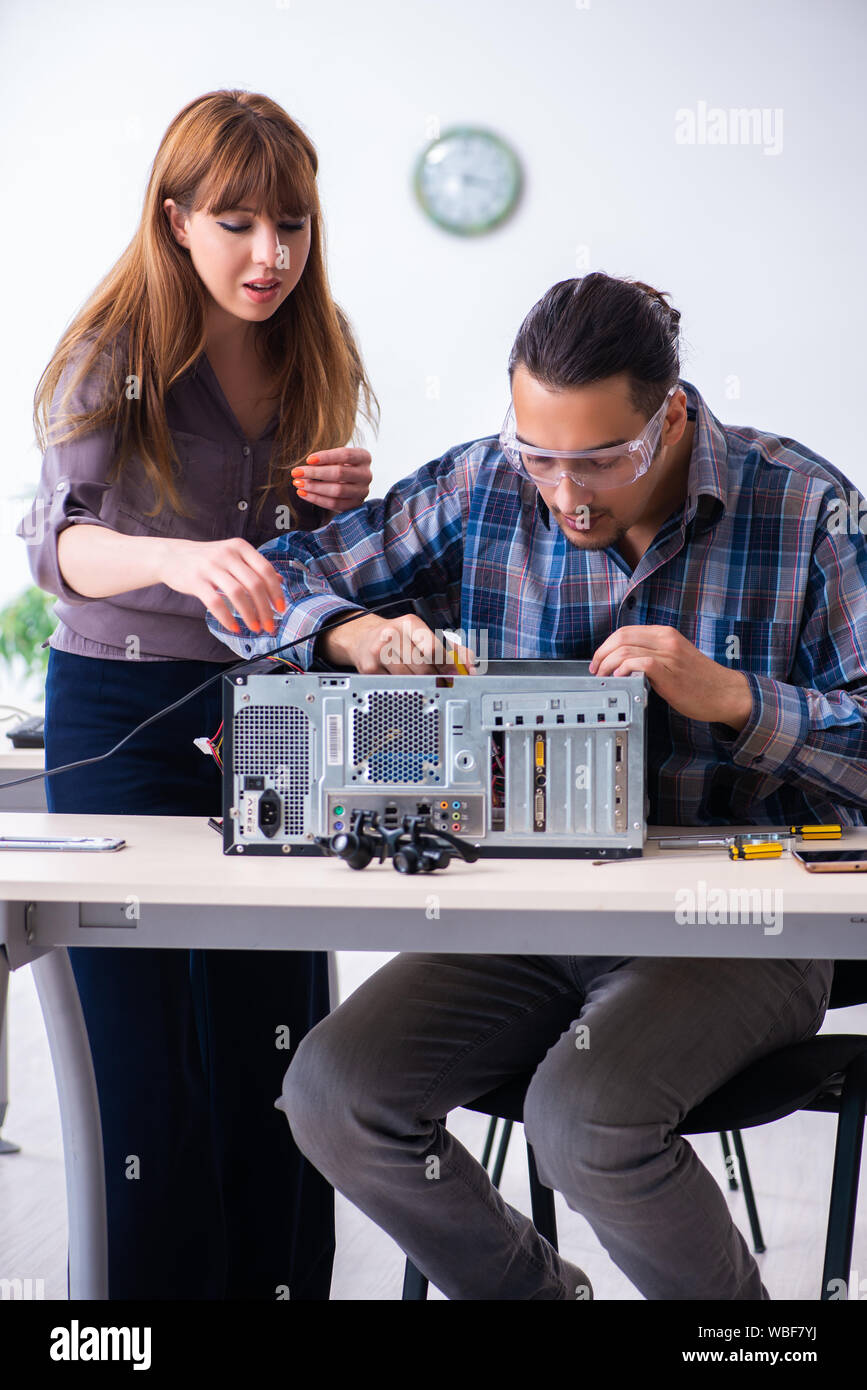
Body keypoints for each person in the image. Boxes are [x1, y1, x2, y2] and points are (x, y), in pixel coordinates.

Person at [206, 271, 867, 1299]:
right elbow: (255, 590)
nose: (565, 492)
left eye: (601, 458)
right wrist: (350, 628)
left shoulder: (808, 507)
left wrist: (735, 696)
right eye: (541, 455)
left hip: (738, 924)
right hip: (528, 915)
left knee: (583, 1117)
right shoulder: (481, 486)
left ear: (673, 415)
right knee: (332, 1093)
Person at [17, 88, 378, 1300]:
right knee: (145, 1073)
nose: (270, 255)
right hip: (118, 718)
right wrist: (171, 555)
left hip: (270, 719)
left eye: (292, 224)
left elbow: (315, 571)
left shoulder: (315, 352)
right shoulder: (110, 355)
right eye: (237, 224)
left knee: (278, 1056)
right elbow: (55, 546)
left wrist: (340, 500)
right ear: (176, 222)